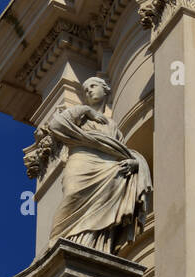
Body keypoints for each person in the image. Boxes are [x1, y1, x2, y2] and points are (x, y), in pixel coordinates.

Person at [47, 77, 151, 252]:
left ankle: (93, 246)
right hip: (82, 161)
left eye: (93, 86)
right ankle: (58, 241)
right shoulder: (80, 118)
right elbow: (56, 125)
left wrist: (134, 162)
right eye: (85, 89)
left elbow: (122, 152)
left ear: (105, 90)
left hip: (109, 170)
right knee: (72, 196)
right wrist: (86, 110)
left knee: (102, 209)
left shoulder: (113, 127)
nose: (88, 91)